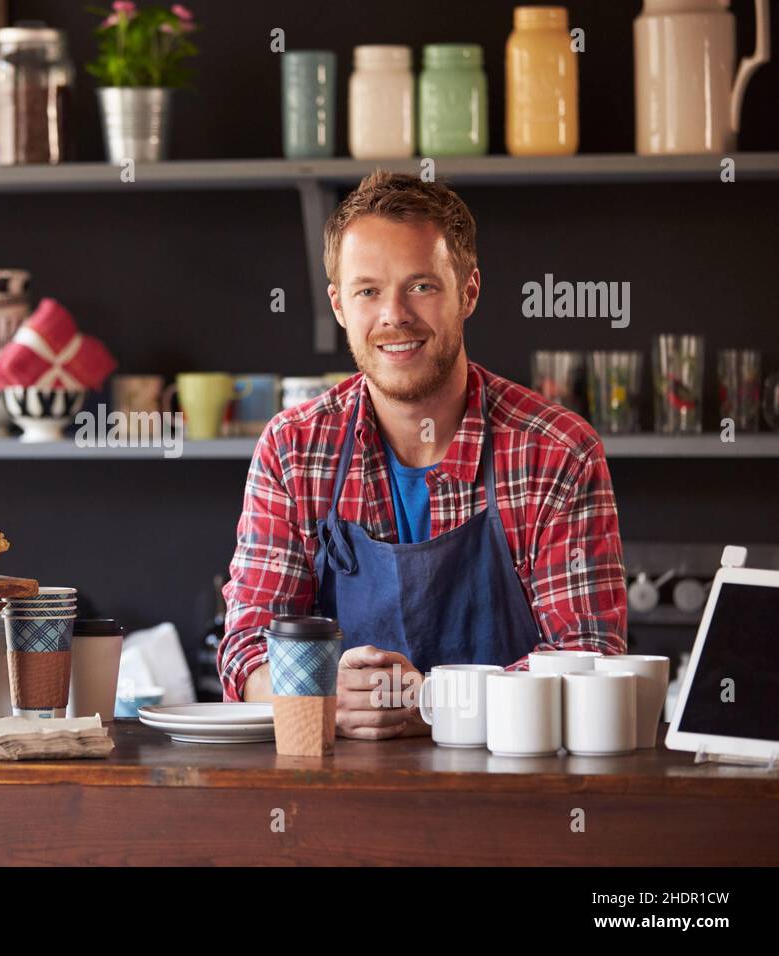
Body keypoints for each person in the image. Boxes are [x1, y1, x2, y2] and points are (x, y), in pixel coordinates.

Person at [219, 171, 627, 739]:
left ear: (469, 291)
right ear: (339, 305)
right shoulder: (294, 449)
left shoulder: (555, 451)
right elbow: (245, 651)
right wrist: (320, 692)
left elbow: (591, 659)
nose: (394, 316)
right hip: (335, 806)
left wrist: (435, 701)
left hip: (514, 799)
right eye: (368, 291)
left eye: (421, 286)